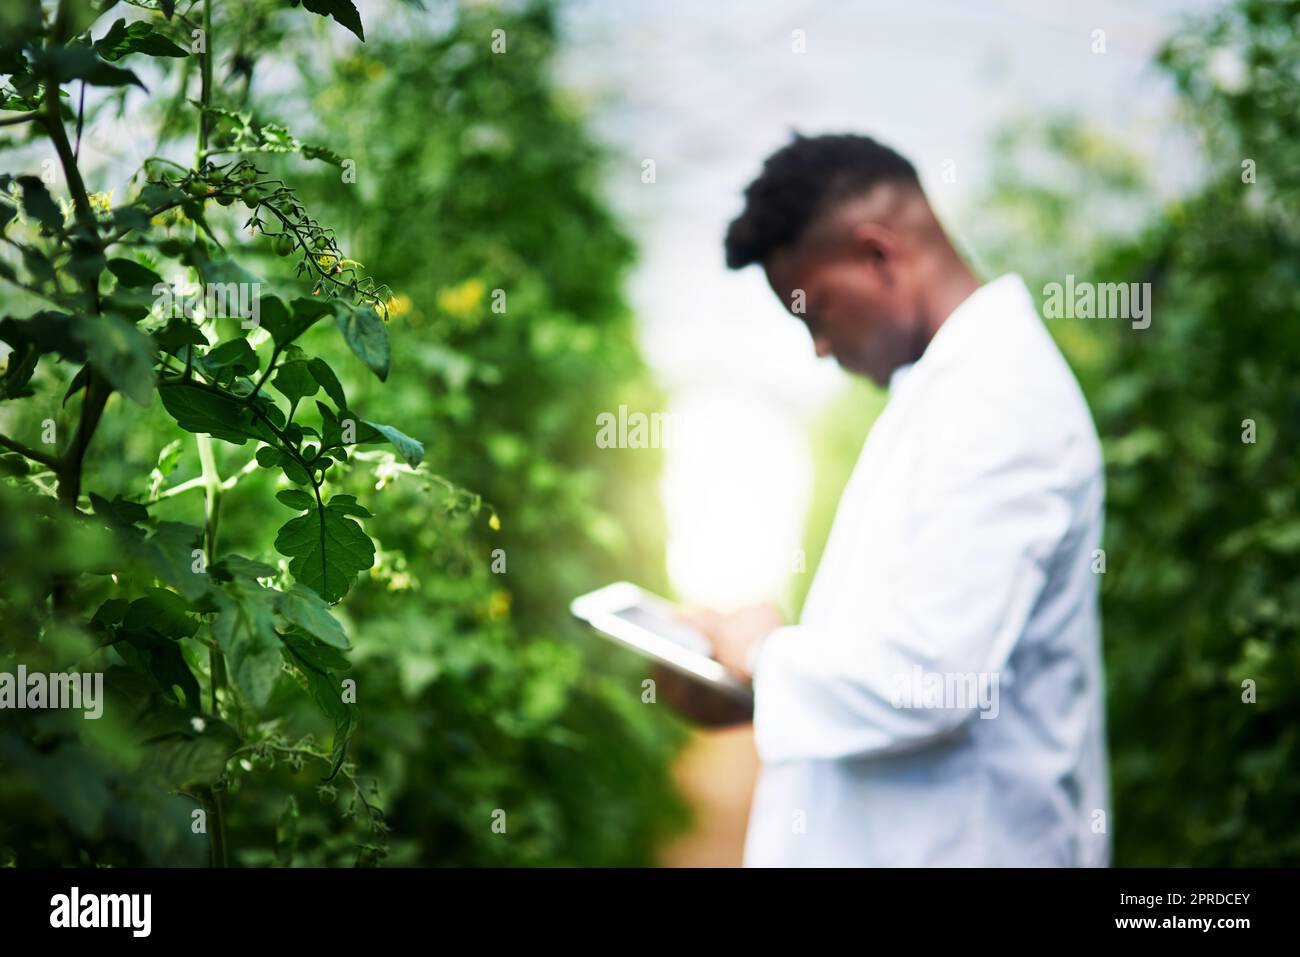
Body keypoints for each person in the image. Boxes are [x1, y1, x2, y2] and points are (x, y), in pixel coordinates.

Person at [673, 133, 1111, 867]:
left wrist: (760, 654)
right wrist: (749, 685)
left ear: (878, 256)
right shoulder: (945, 390)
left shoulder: (998, 396)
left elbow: (935, 677)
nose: (817, 347)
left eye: (813, 313)